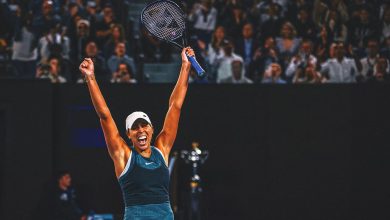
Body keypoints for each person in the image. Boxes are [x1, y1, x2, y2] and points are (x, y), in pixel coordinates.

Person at [79, 47, 194, 219]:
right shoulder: (123, 156)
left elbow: (175, 106)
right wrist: (90, 78)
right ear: (129, 134)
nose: (141, 130)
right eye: (135, 127)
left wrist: (185, 66)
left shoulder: (162, 149)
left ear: (152, 129)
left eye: (144, 125)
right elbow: (105, 116)